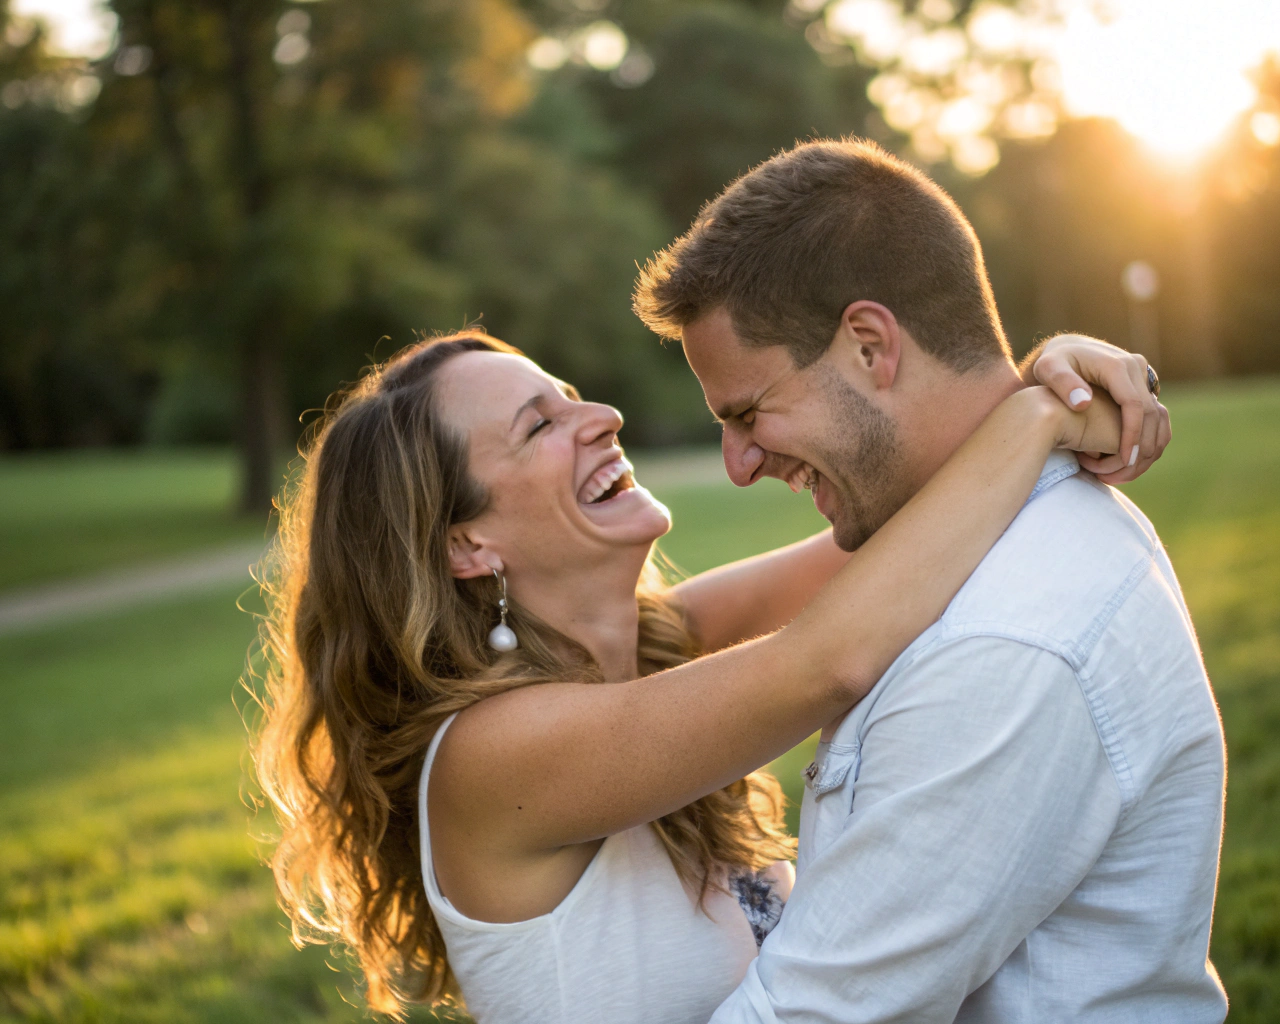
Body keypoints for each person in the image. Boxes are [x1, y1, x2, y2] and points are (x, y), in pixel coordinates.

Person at [253, 320, 1161, 1023]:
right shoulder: (490, 760)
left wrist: (1054, 364)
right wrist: (1041, 414)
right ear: (467, 544)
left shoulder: (651, 650)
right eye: (542, 425)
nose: (600, 416)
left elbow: (897, 534)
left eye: (569, 394)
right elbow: (828, 660)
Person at [634, 137, 1226, 1023]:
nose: (739, 463)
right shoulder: (978, 538)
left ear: (871, 344)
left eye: (750, 412)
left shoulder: (1002, 644)